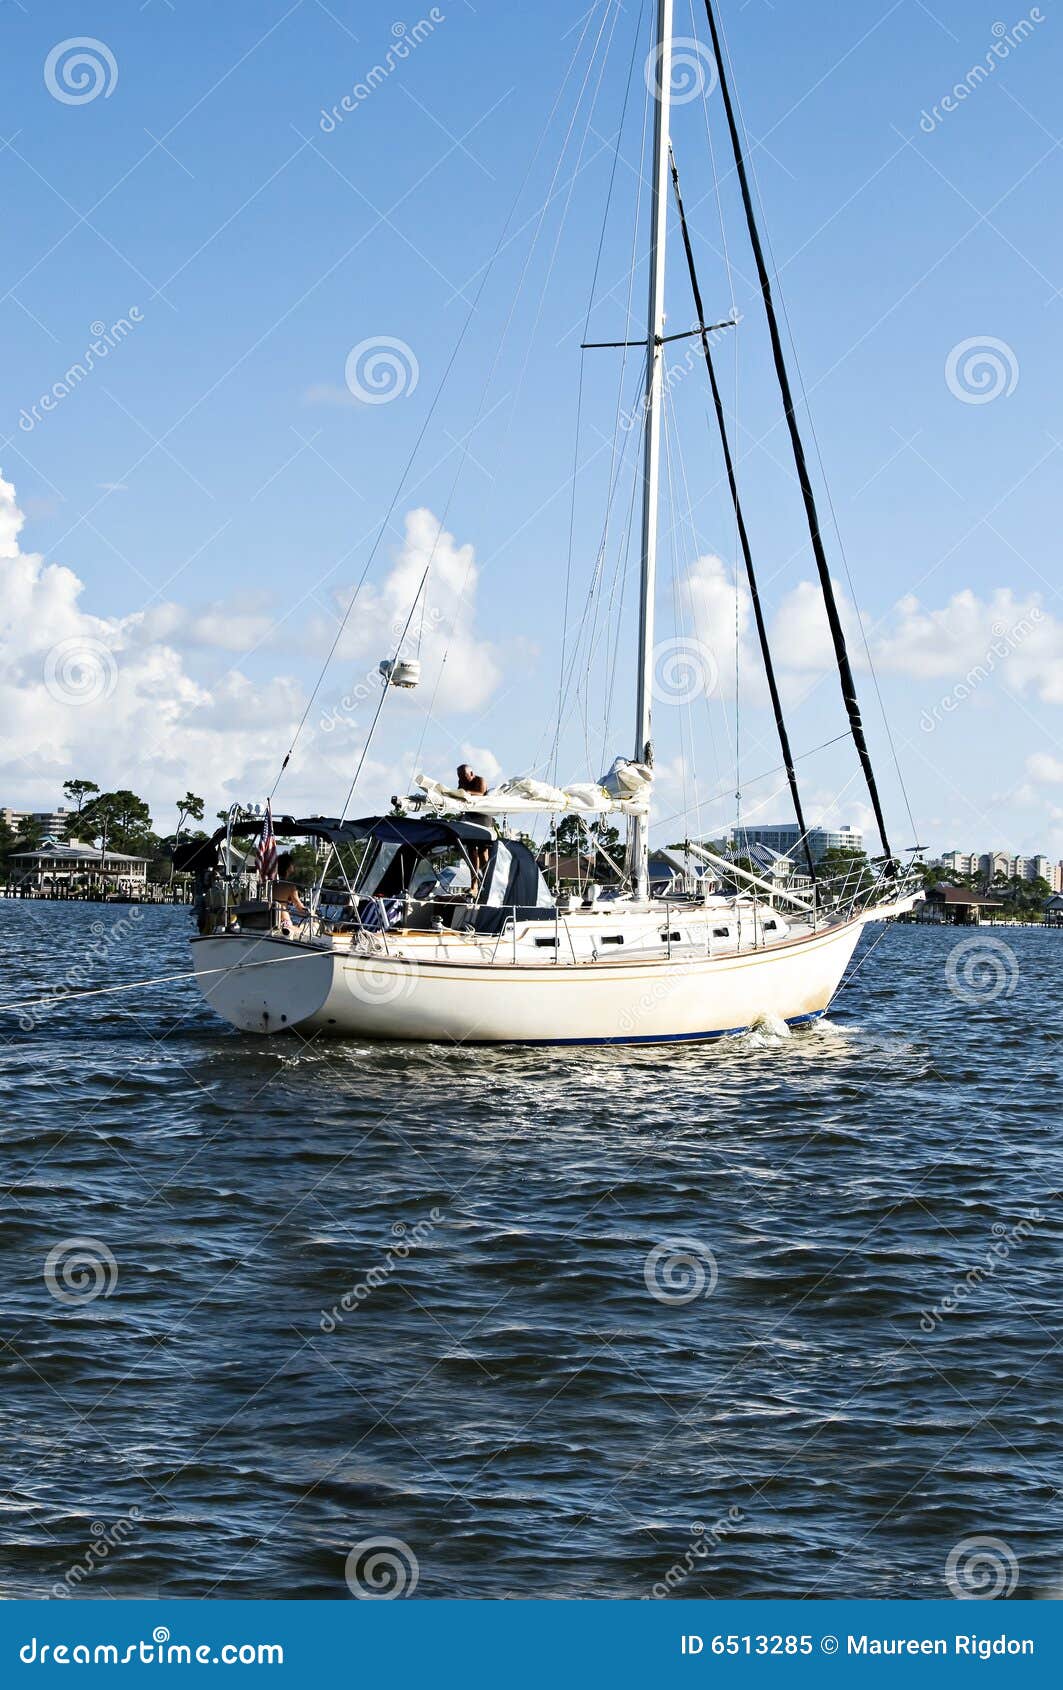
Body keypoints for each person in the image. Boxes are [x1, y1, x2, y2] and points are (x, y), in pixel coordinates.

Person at [456, 764, 492, 892]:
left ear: (471, 774)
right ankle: (474, 884)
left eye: (464, 777)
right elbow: (460, 796)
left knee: (483, 852)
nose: (462, 780)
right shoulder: (462, 781)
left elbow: (481, 794)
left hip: (483, 817)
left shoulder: (480, 780)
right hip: (470, 816)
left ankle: (487, 883)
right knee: (471, 851)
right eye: (460, 777)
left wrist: (466, 792)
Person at [274, 852, 309, 934]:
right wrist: (311, 913)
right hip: (284, 922)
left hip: (271, 921)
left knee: (300, 926)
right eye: (292, 864)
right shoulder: (290, 887)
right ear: (288, 867)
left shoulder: (272, 884)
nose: (294, 866)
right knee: (306, 931)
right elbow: (299, 906)